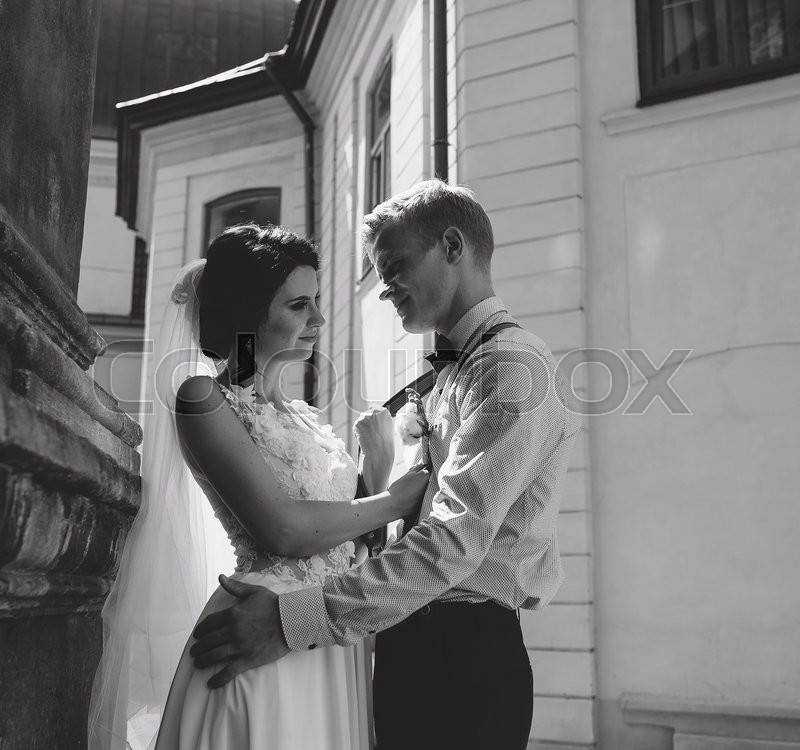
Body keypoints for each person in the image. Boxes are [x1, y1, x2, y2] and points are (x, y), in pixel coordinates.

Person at [190, 181, 582, 749]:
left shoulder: (513, 368)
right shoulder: (446, 376)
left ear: (453, 246)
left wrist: (290, 621)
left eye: (395, 266)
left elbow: (453, 543)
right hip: (391, 645)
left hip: (463, 658)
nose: (383, 291)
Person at [87, 224, 429, 750]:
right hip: (258, 634)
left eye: (316, 301)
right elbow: (284, 531)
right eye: (298, 305)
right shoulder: (204, 399)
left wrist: (375, 468)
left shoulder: (307, 418)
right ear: (250, 313)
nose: (318, 318)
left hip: (325, 634)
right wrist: (394, 500)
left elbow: (348, 544)